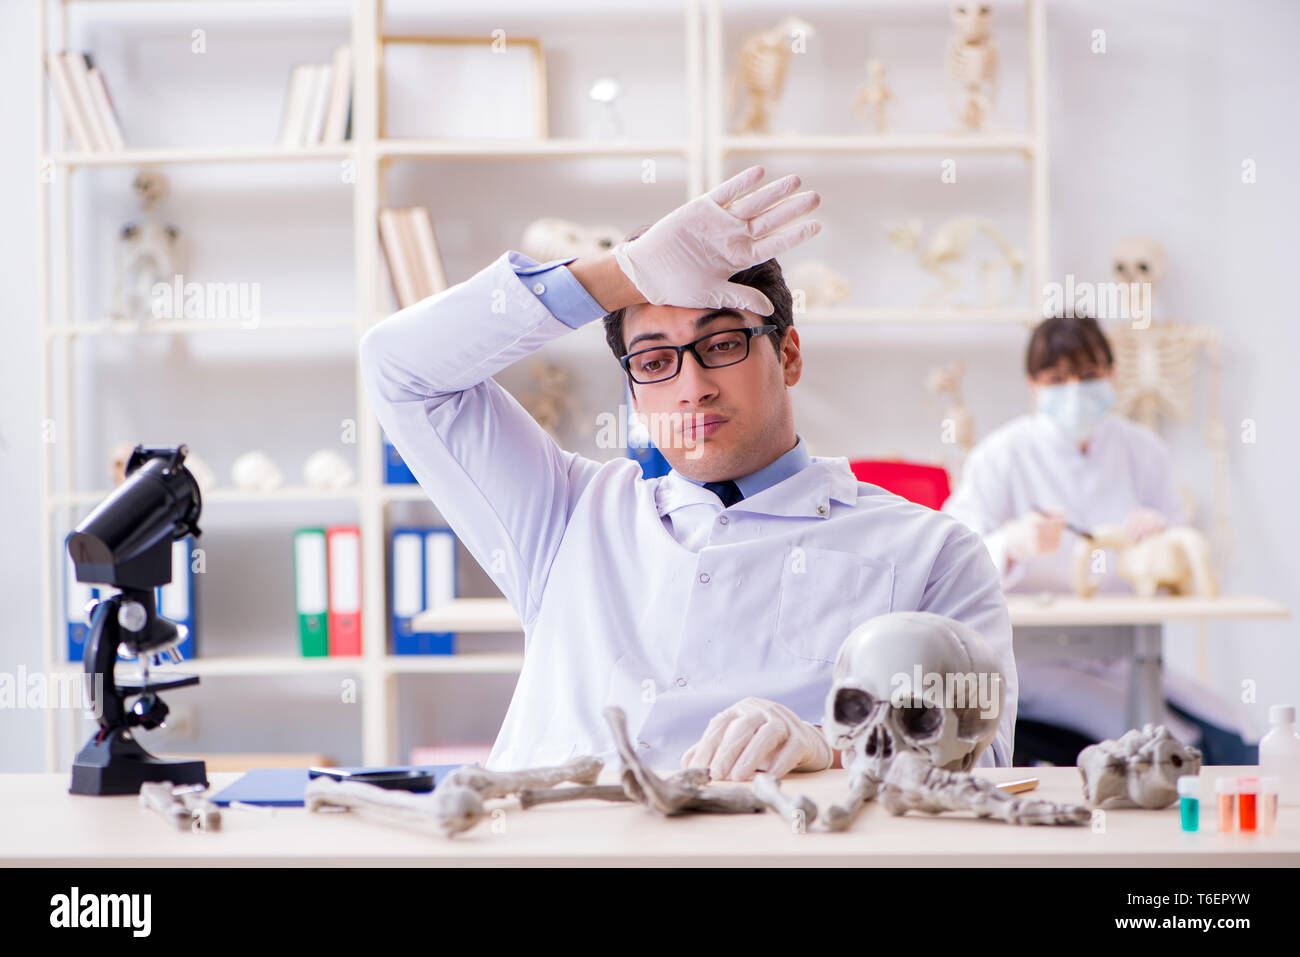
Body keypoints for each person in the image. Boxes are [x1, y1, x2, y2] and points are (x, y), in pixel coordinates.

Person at [360, 166, 1017, 779]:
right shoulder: (565, 512)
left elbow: (984, 765)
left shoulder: (934, 551)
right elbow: (398, 367)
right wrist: (620, 274)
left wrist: (830, 746)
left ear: (787, 355)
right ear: (632, 388)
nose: (691, 387)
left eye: (723, 344)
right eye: (653, 361)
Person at [943, 314, 1255, 765]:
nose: (1074, 391)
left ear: (1112, 374)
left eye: (1088, 376)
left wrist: (1160, 540)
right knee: (1166, 741)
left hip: (1123, 649)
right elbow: (958, 556)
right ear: (1033, 385)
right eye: (1057, 379)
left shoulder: (1142, 450)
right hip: (1034, 662)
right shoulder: (1000, 455)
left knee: (1225, 731)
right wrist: (1011, 543)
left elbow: (1183, 556)